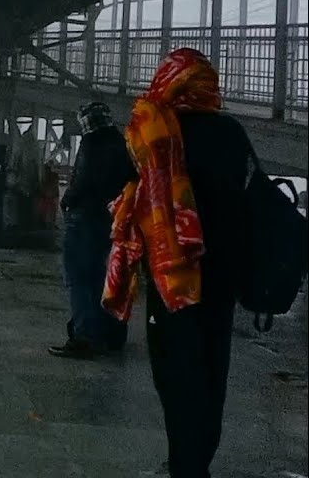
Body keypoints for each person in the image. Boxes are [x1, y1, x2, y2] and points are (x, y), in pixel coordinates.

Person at [102, 48, 252, 478]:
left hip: (171, 274)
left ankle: (183, 460)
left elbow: (121, 189)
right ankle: (196, 461)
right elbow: (247, 203)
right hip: (219, 275)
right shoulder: (232, 134)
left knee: (172, 366)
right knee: (210, 368)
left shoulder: (151, 128)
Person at [49, 101, 132, 359]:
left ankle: (85, 336)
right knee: (102, 277)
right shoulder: (122, 143)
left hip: (83, 217)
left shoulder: (91, 143)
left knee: (78, 278)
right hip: (110, 219)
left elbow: (83, 180)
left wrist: (66, 200)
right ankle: (111, 334)